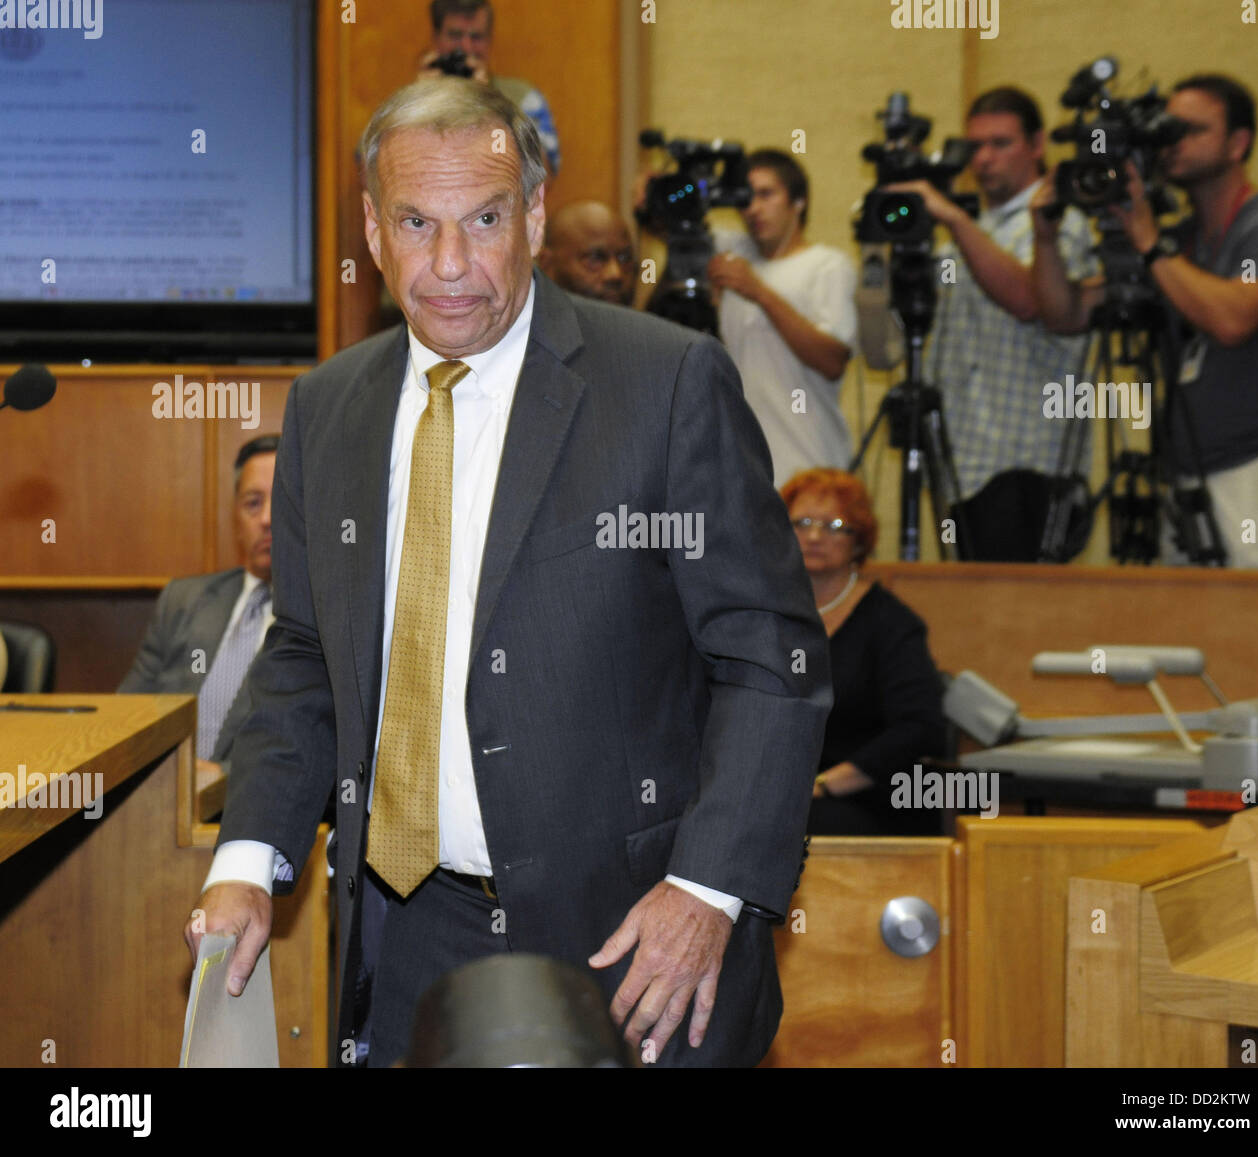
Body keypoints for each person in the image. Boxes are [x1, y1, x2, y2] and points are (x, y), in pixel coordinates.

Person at [185, 77, 831, 1070]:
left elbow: (769, 654)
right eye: (415, 222)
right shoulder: (329, 409)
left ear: (532, 212)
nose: (450, 266)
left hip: (633, 940)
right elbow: (308, 653)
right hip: (406, 939)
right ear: (371, 226)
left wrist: (707, 890)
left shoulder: (664, 383)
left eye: (484, 219)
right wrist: (245, 857)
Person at [1031, 73, 1258, 568]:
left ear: (1238, 143)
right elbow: (1065, 314)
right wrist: (1045, 240)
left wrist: (1150, 243)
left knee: (1257, 630)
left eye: (1191, 130)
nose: (1172, 143)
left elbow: (1233, 320)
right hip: (1183, 473)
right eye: (1166, 131)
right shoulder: (1180, 239)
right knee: (1184, 631)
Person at [886, 87, 1097, 561]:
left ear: (1038, 144)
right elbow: (893, 339)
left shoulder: (1061, 221)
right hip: (964, 460)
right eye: (974, 146)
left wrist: (954, 220)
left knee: (1017, 618)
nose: (983, 159)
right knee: (976, 617)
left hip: (1029, 467)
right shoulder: (968, 234)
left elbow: (1027, 300)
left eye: (1000, 143)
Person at [781, 469, 947, 835]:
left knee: (784, 830)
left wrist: (822, 786)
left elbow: (922, 728)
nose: (813, 536)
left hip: (867, 795)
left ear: (859, 541)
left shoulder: (890, 623)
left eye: (835, 525)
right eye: (802, 522)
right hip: (778, 791)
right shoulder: (761, 612)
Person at [119, 435, 278, 784]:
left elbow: (324, 750)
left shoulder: (326, 617)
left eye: (282, 502)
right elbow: (124, 715)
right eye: (253, 503)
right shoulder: (183, 600)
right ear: (234, 516)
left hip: (249, 812)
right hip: (157, 796)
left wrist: (221, 776)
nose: (267, 518)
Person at [706, 150, 857, 489]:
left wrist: (759, 291)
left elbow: (832, 360)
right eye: (746, 197)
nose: (753, 208)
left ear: (799, 201)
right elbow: (668, 222)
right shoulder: (735, 252)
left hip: (809, 467)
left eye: (766, 194)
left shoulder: (828, 266)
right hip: (744, 473)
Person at [419, 0, 561, 177]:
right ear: (436, 37)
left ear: (489, 40)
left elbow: (541, 178)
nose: (465, 47)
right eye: (455, 35)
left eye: (476, 37)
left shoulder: (524, 98)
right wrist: (419, 102)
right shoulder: (411, 104)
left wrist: (490, 105)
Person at [538, 200, 637, 307]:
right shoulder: (526, 322)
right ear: (546, 264)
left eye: (624, 258)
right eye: (595, 259)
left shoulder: (646, 322)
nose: (615, 274)